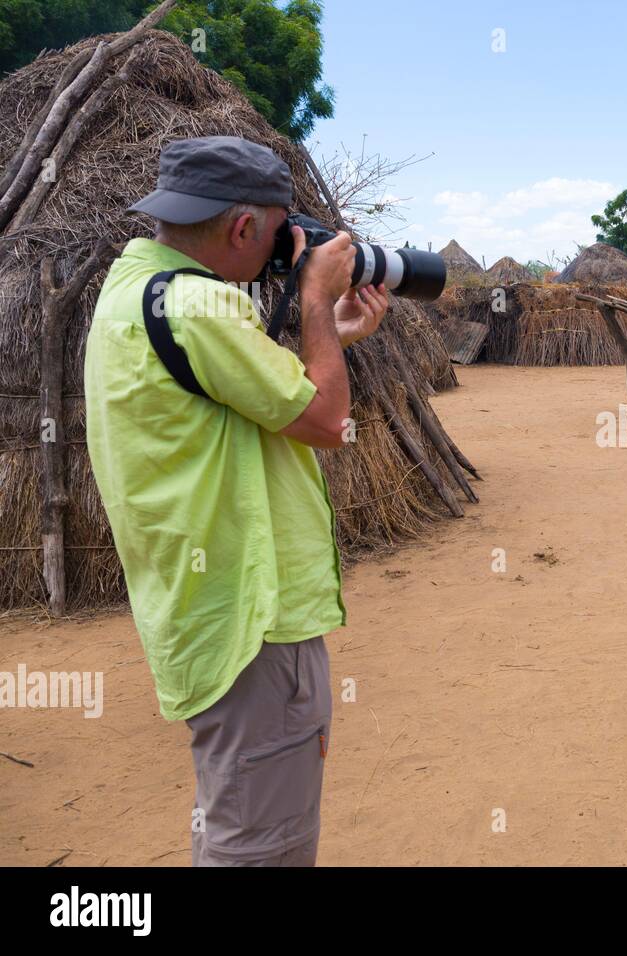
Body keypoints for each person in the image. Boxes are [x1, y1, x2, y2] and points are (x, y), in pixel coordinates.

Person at [84, 135, 388, 866]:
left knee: (233, 822)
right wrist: (315, 299)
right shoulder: (200, 305)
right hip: (254, 622)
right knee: (260, 846)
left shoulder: (133, 289)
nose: (289, 247)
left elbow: (241, 397)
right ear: (245, 227)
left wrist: (331, 331)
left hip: (200, 607)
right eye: (283, 229)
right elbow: (326, 422)